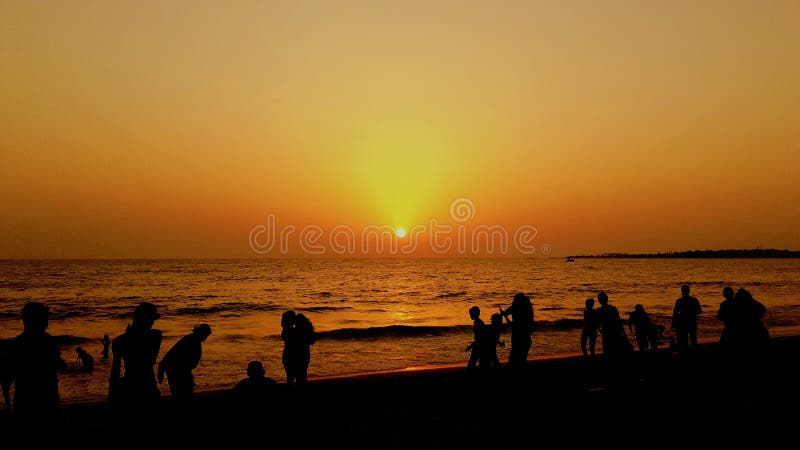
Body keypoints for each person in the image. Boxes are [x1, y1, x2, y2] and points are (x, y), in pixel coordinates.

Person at [6, 302, 67, 416]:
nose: (47, 322)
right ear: (39, 321)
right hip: (48, 400)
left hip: (24, 402)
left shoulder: (17, 343)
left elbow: (8, 377)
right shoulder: (47, 341)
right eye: (45, 318)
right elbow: (62, 366)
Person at [109, 302, 162, 406]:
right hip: (148, 383)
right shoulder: (156, 336)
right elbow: (150, 360)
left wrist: (111, 393)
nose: (153, 323)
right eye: (152, 320)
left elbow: (115, 370)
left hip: (130, 383)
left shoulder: (120, 341)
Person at [157, 324, 212, 401]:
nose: (205, 338)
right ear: (201, 333)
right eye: (205, 335)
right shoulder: (190, 340)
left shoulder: (193, 340)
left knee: (182, 393)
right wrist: (161, 368)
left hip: (180, 370)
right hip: (176, 370)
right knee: (181, 394)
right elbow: (172, 354)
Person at [500, 293, 534, 371]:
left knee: (513, 362)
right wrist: (505, 314)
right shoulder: (528, 311)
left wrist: (505, 316)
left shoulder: (517, 310)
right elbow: (508, 311)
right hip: (526, 339)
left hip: (517, 339)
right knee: (522, 361)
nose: (513, 302)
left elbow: (512, 325)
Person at [596, 291, 632, 358]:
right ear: (607, 299)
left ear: (599, 300)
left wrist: (599, 329)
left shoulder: (599, 310)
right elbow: (619, 321)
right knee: (615, 349)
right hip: (615, 331)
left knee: (607, 349)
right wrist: (623, 332)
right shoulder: (613, 308)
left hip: (607, 331)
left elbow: (597, 322)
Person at [287, 314, 315, 386]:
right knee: (303, 374)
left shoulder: (296, 332)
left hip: (298, 355)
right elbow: (312, 341)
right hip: (305, 354)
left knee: (298, 375)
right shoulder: (308, 330)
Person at [671, 285, 702, 352]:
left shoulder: (679, 301)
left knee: (683, 340)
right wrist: (692, 313)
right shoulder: (694, 300)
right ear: (689, 291)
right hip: (691, 321)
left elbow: (675, 313)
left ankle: (685, 353)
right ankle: (693, 353)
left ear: (681, 292)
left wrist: (673, 323)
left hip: (682, 322)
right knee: (693, 339)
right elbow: (699, 311)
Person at [464, 306, 486, 370]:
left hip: (478, 346)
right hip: (480, 345)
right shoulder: (479, 322)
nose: (470, 315)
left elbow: (479, 338)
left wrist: (471, 346)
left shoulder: (478, 323)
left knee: (471, 364)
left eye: (471, 314)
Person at [280, 310, 296, 384]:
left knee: (290, 377)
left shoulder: (285, 330)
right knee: (293, 377)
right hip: (291, 355)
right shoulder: (291, 331)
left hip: (286, 355)